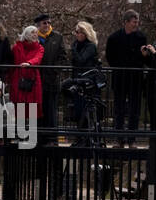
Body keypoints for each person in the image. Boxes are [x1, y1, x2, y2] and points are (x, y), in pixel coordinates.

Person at [106, 10, 146, 148]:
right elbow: (110, 57)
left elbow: (143, 59)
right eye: (134, 22)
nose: (136, 24)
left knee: (135, 110)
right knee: (119, 110)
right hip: (120, 78)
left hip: (135, 79)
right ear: (126, 22)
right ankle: (119, 138)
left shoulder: (141, 37)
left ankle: (132, 139)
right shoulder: (114, 38)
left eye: (137, 21)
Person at [33, 14, 66, 145]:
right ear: (38, 25)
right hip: (36, 80)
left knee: (51, 110)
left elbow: (63, 57)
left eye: (48, 22)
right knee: (37, 111)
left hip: (51, 80)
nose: (46, 25)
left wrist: (55, 70)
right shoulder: (34, 37)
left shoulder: (57, 37)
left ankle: (52, 139)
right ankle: (39, 138)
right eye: (44, 23)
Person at [68, 21, 101, 144]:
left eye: (79, 32)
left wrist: (74, 50)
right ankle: (79, 136)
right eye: (76, 32)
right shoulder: (76, 45)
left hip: (88, 83)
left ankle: (87, 138)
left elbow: (82, 60)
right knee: (78, 110)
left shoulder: (90, 46)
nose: (77, 35)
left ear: (85, 33)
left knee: (86, 110)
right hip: (78, 81)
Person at [9, 25, 44, 114]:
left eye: (36, 33)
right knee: (19, 104)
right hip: (18, 77)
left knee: (32, 104)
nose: (35, 35)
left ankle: (31, 127)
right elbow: (11, 60)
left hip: (33, 79)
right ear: (26, 34)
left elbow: (38, 58)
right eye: (32, 32)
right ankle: (20, 127)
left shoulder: (40, 48)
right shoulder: (16, 47)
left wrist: (29, 63)